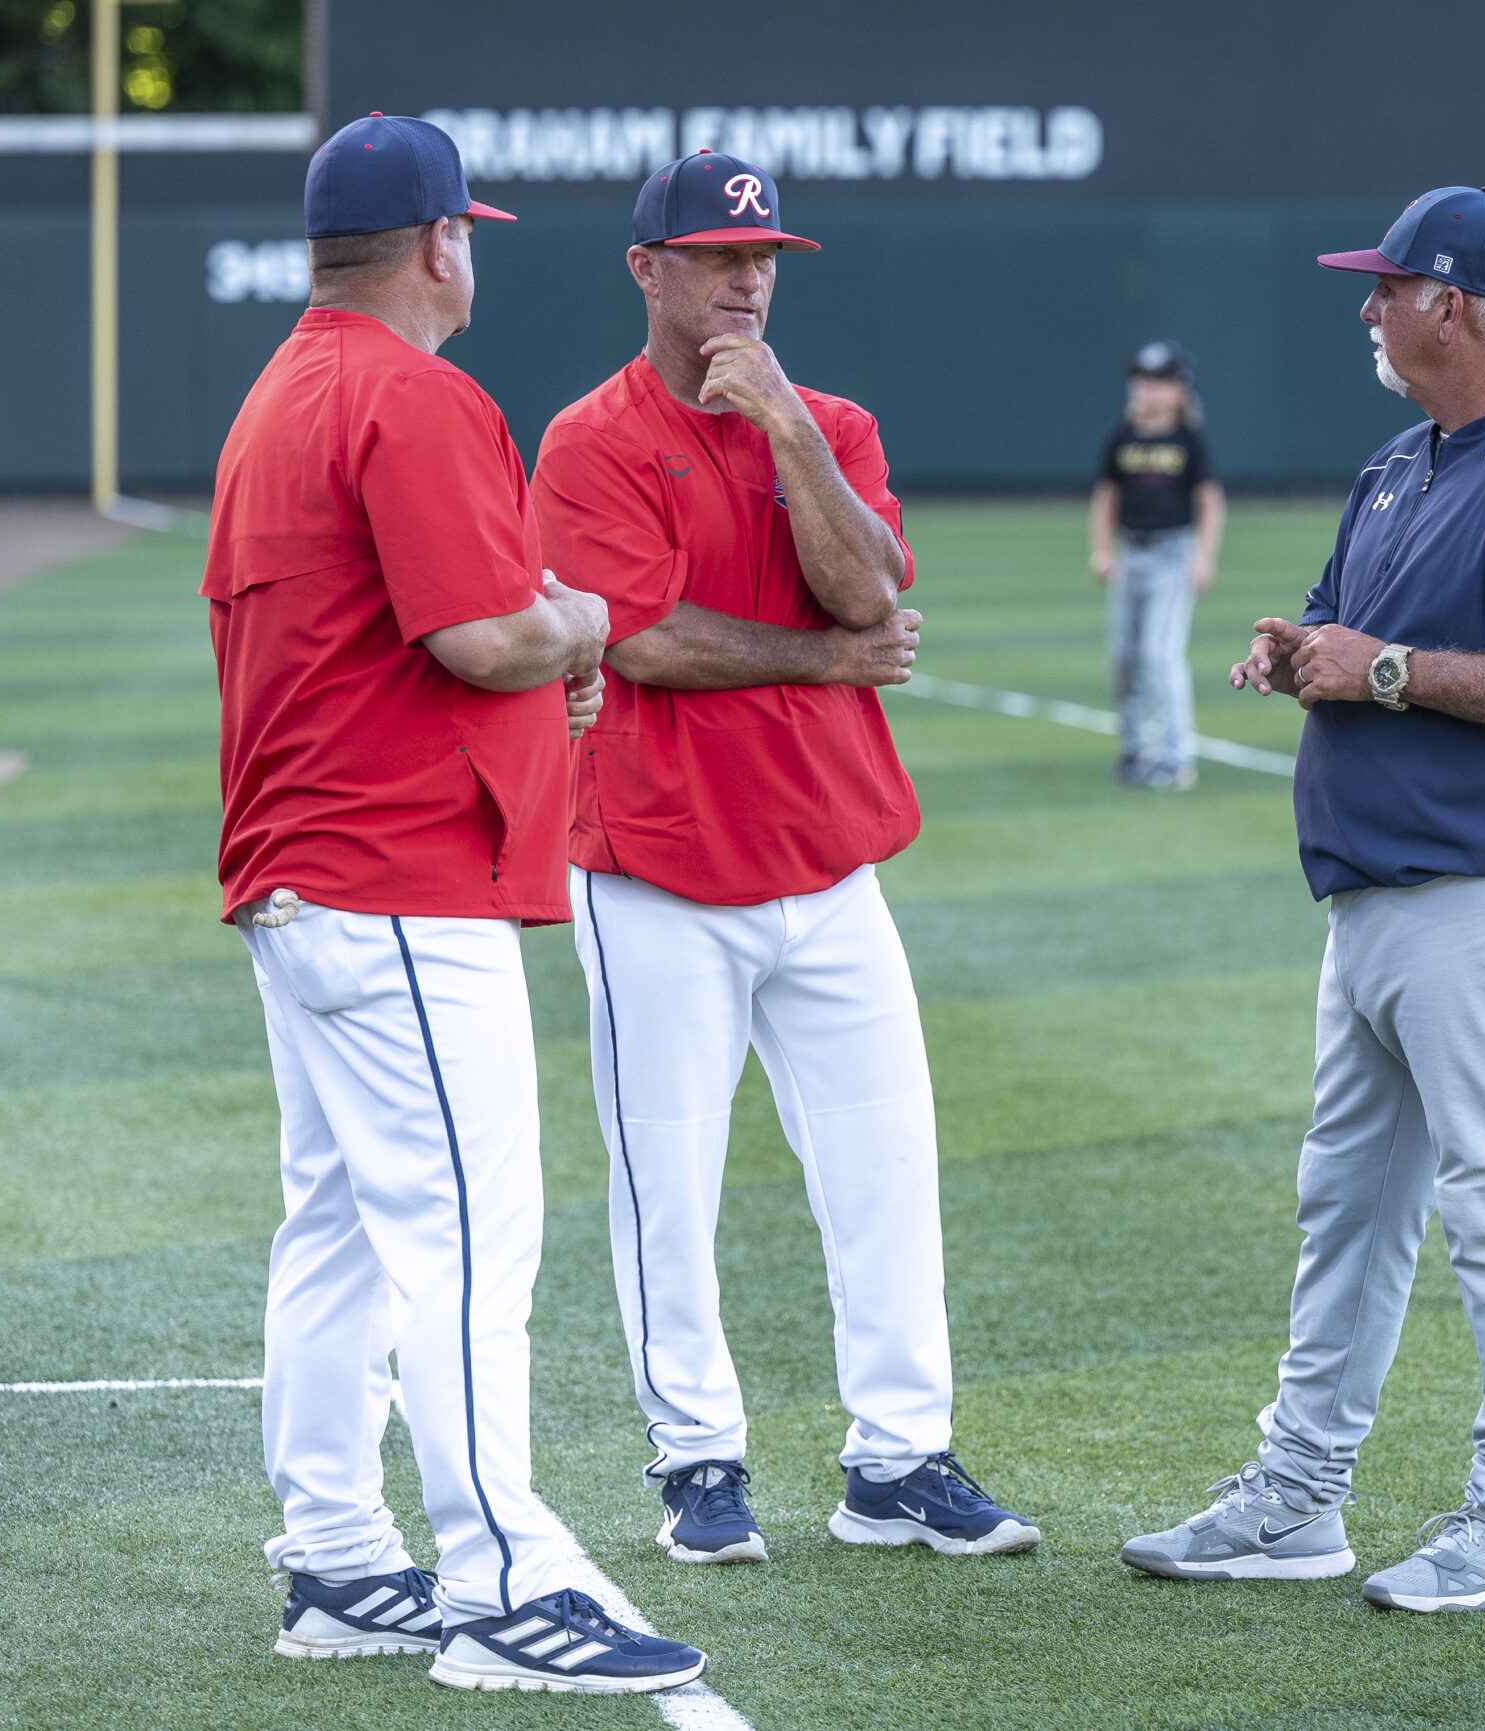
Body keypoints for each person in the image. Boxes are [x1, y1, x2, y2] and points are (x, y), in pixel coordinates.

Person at [204, 112, 705, 1695]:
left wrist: (532, 649)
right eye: (466, 230)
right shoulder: (409, 394)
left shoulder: (276, 394)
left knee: (344, 1228)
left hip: (308, 874)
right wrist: (580, 621)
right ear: (438, 245)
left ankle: (341, 1556)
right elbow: (489, 636)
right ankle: (499, 1581)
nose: (470, 250)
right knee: (470, 1232)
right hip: (395, 874)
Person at [1120, 187, 1485, 1613]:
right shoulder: (1402, 462)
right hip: (1372, 896)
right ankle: (1299, 1493)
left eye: (1390, 284)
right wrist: (1299, 650)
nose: (1368, 304)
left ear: (1457, 307)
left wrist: (1385, 671)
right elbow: (1350, 633)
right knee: (1346, 1205)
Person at [529, 150, 1039, 1571]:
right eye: (717, 258)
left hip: (831, 861)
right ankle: (697, 1456)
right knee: (667, 1181)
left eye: (763, 260)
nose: (748, 281)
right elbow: (640, 638)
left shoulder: (833, 422)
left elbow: (871, 585)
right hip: (656, 868)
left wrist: (789, 433)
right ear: (648, 271)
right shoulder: (588, 440)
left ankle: (899, 1459)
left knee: (887, 1169)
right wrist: (829, 660)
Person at [1089, 341, 1225, 791]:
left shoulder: (1188, 440)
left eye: (1155, 381)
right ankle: (1133, 748)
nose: (1144, 389)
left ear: (1178, 390)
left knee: (1159, 654)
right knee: (1124, 658)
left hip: (1172, 556)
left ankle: (1175, 757)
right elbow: (1106, 496)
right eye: (1141, 380)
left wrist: (1204, 558)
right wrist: (1102, 548)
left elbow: (1209, 501)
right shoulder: (1122, 435)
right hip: (1132, 554)